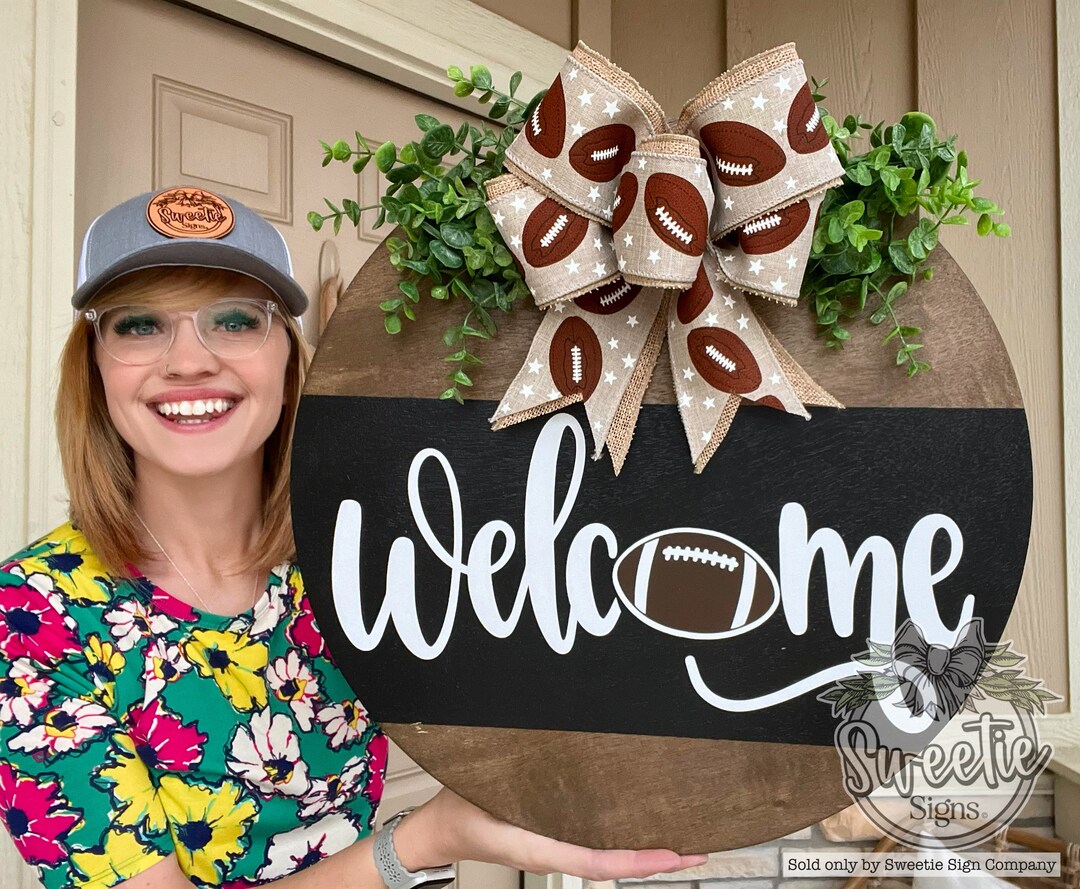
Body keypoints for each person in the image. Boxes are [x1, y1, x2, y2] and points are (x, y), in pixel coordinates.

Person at [0, 187, 707, 888]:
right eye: (139, 325)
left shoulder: (356, 552)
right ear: (93, 364)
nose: (188, 360)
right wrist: (428, 839)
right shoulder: (32, 617)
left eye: (237, 319)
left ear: (287, 356)